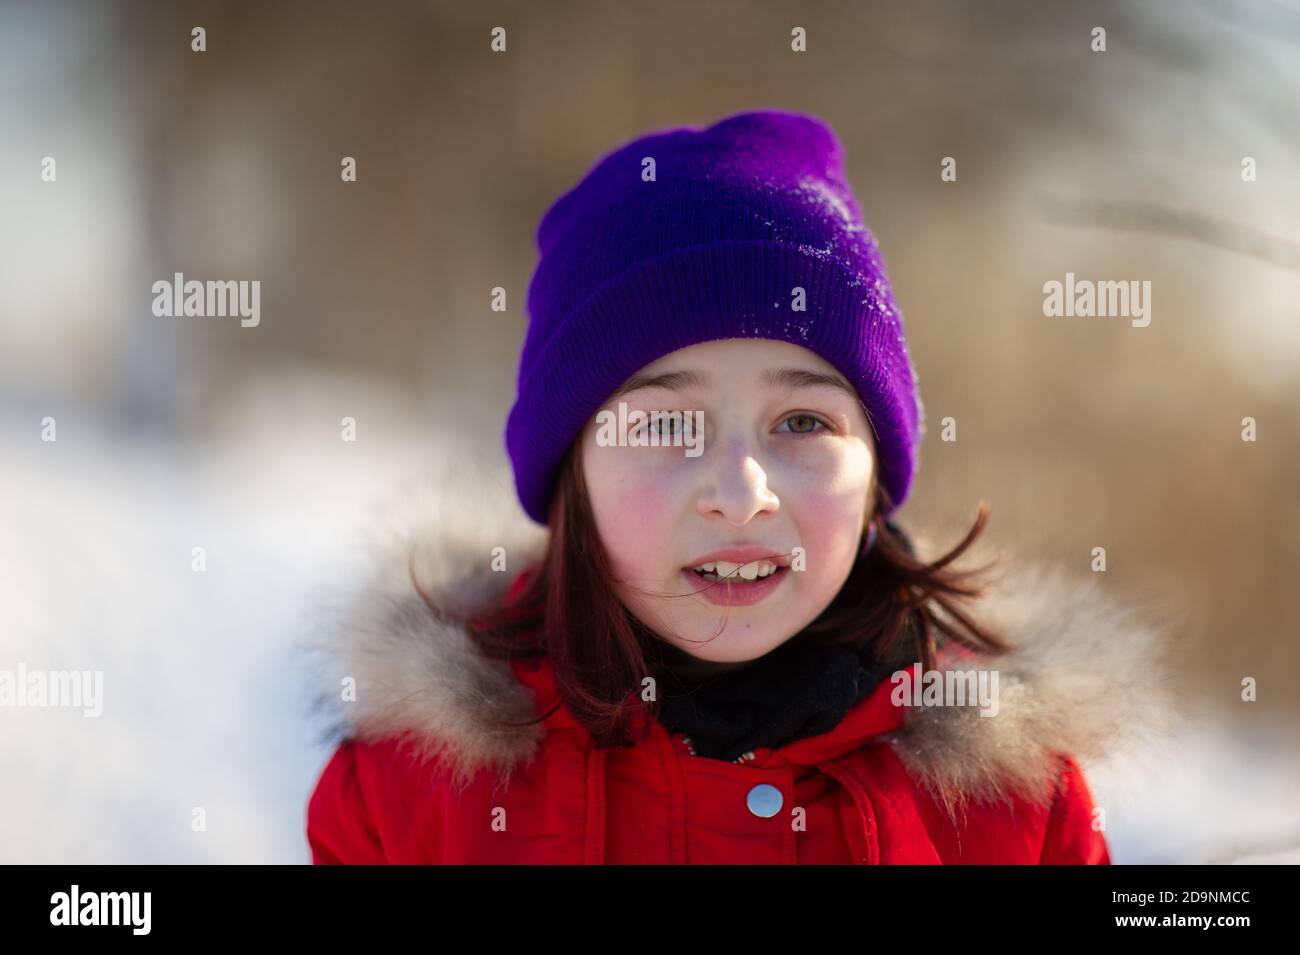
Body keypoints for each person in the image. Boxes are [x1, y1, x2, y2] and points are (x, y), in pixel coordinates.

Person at [306, 109, 1167, 864]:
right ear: (574, 475)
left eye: (802, 423)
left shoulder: (1010, 807)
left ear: (875, 475)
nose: (740, 491)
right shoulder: (412, 795)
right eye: (666, 425)